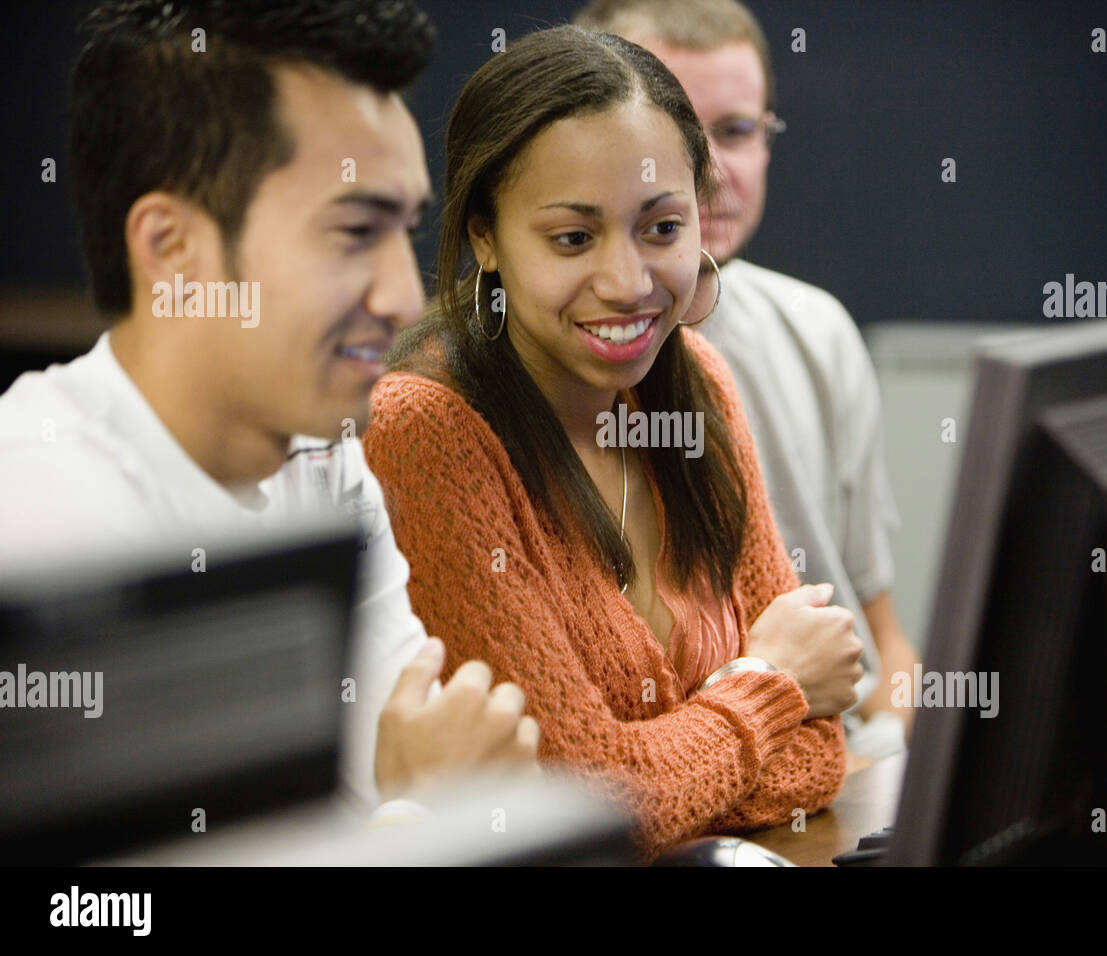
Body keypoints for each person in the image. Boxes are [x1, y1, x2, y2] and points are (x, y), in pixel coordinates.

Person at [0, 0, 536, 815]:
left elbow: (388, 751)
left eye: (406, 231)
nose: (402, 295)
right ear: (172, 251)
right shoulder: (44, 516)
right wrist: (423, 819)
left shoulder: (323, 450)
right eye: (355, 231)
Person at [363, 25, 862, 858]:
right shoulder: (427, 432)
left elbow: (820, 756)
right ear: (485, 236)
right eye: (572, 238)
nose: (629, 283)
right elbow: (583, 808)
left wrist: (672, 765)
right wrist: (768, 685)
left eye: (662, 228)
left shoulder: (697, 380)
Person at [575, 0, 921, 751]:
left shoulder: (818, 329)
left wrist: (890, 759)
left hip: (843, 766)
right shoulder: (559, 364)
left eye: (735, 132)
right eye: (670, 135)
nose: (709, 172)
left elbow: (889, 643)